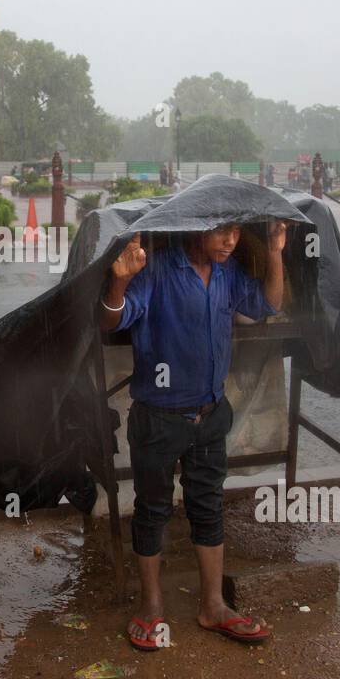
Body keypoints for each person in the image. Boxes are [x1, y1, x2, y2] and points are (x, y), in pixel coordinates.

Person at [101, 221, 286, 651]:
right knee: (152, 510)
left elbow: (267, 305)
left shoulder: (227, 273)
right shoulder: (156, 271)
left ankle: (213, 606)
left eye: (236, 232)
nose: (230, 241)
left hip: (210, 415)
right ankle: (150, 606)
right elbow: (113, 320)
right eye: (221, 232)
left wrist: (275, 252)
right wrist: (120, 279)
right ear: (195, 228)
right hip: (158, 419)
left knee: (208, 506)